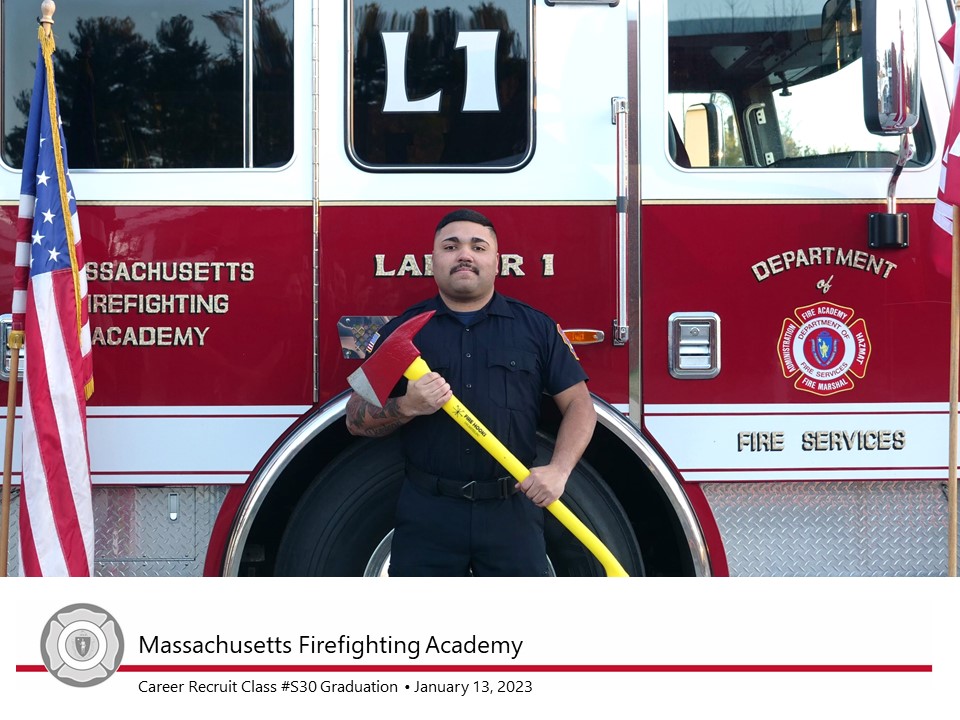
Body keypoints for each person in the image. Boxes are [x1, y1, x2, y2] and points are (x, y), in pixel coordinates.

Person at [345, 208, 596, 576]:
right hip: (428, 515)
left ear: (497, 261)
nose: (465, 254)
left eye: (478, 247)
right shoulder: (401, 331)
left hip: (512, 513)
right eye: (451, 246)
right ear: (433, 261)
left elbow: (580, 405)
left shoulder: (536, 329)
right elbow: (355, 418)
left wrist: (559, 470)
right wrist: (408, 405)